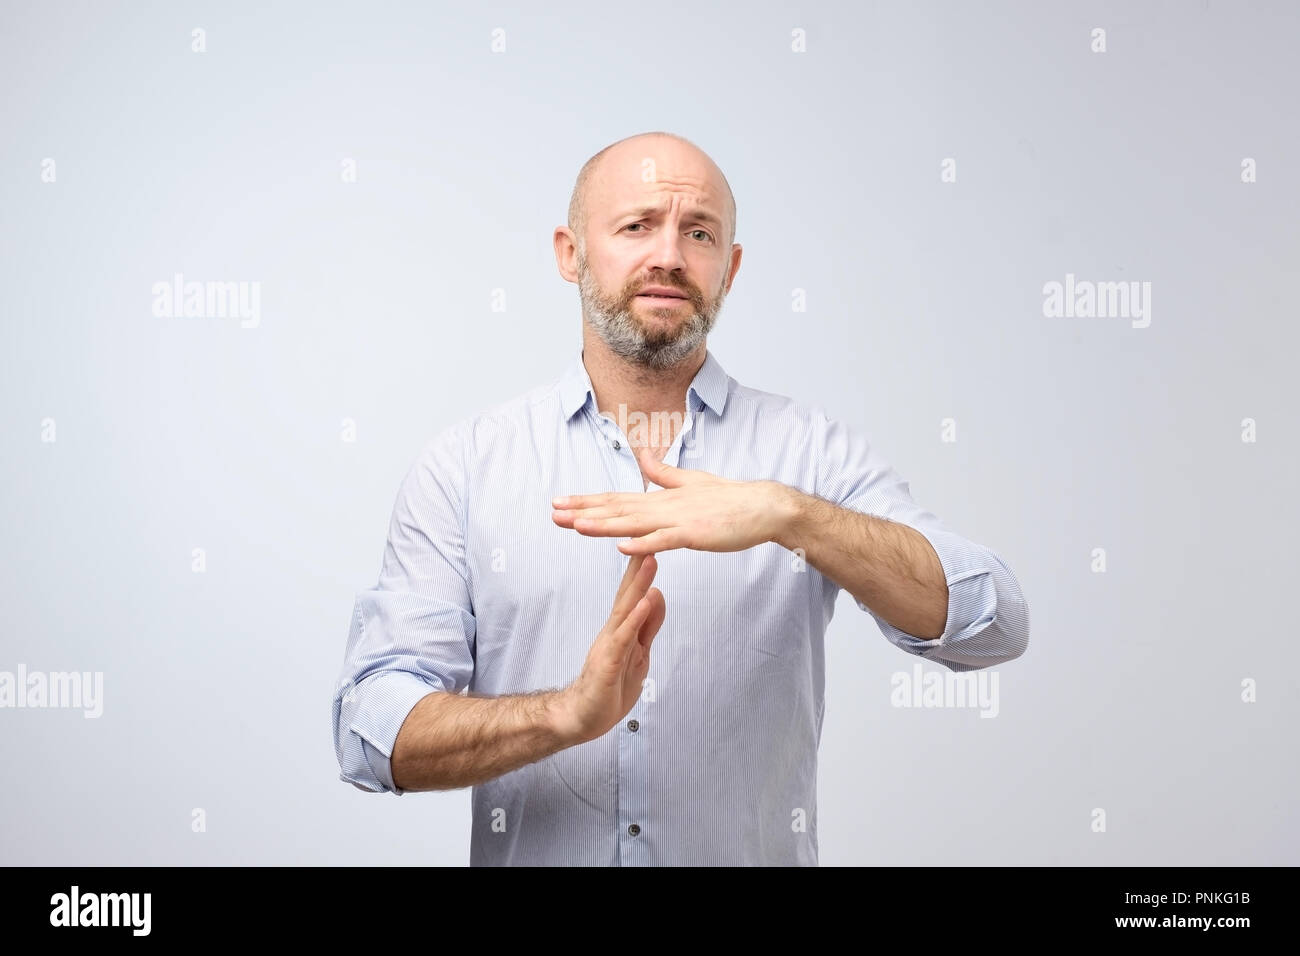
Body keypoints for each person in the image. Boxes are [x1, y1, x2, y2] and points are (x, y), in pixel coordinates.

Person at [332, 131, 1029, 866]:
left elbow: (994, 622)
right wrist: (563, 715)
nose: (668, 255)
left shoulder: (808, 455)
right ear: (570, 253)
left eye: (697, 233)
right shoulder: (466, 467)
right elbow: (371, 730)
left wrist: (793, 516)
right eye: (636, 226)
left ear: (728, 270)